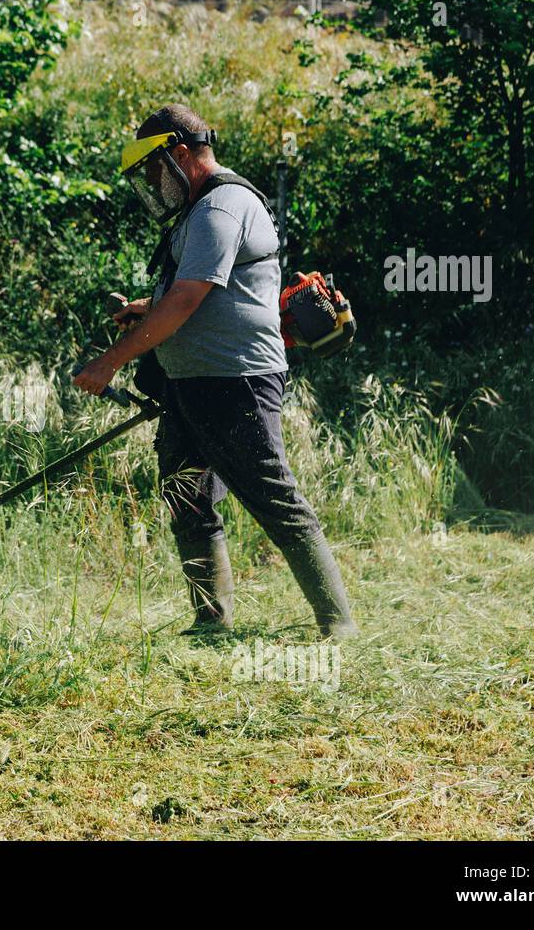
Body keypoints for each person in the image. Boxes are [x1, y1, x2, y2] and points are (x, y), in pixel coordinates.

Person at [72, 104, 358, 638]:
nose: (153, 183)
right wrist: (144, 307)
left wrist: (110, 362)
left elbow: (185, 302)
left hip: (237, 382)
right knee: (188, 496)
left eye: (155, 170)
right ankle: (212, 621)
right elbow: (192, 295)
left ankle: (337, 623)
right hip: (191, 383)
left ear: (180, 154)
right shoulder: (200, 213)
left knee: (273, 497)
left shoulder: (221, 208)